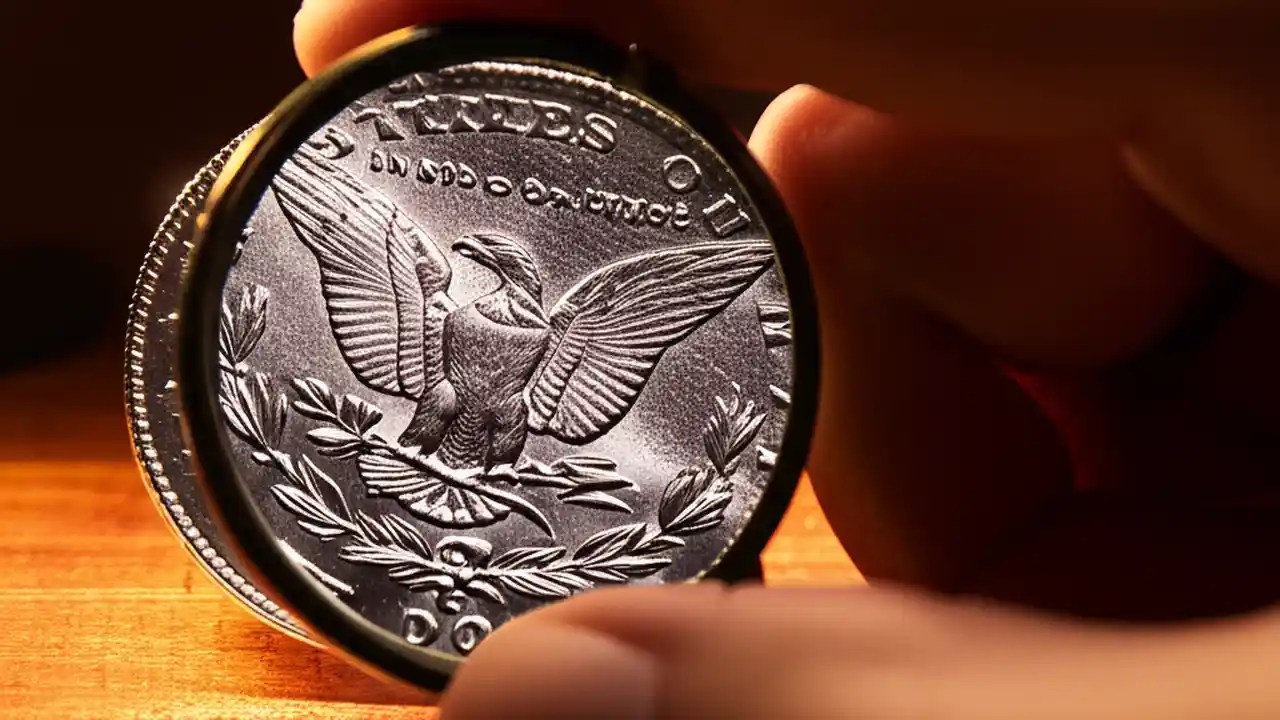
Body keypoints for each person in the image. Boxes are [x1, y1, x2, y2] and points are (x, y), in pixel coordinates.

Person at [294, 1, 1280, 717]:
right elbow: (373, 259)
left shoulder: (568, 327)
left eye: (488, 259)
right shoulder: (433, 304)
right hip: (432, 434)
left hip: (508, 449)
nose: (474, 265)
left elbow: (645, 308)